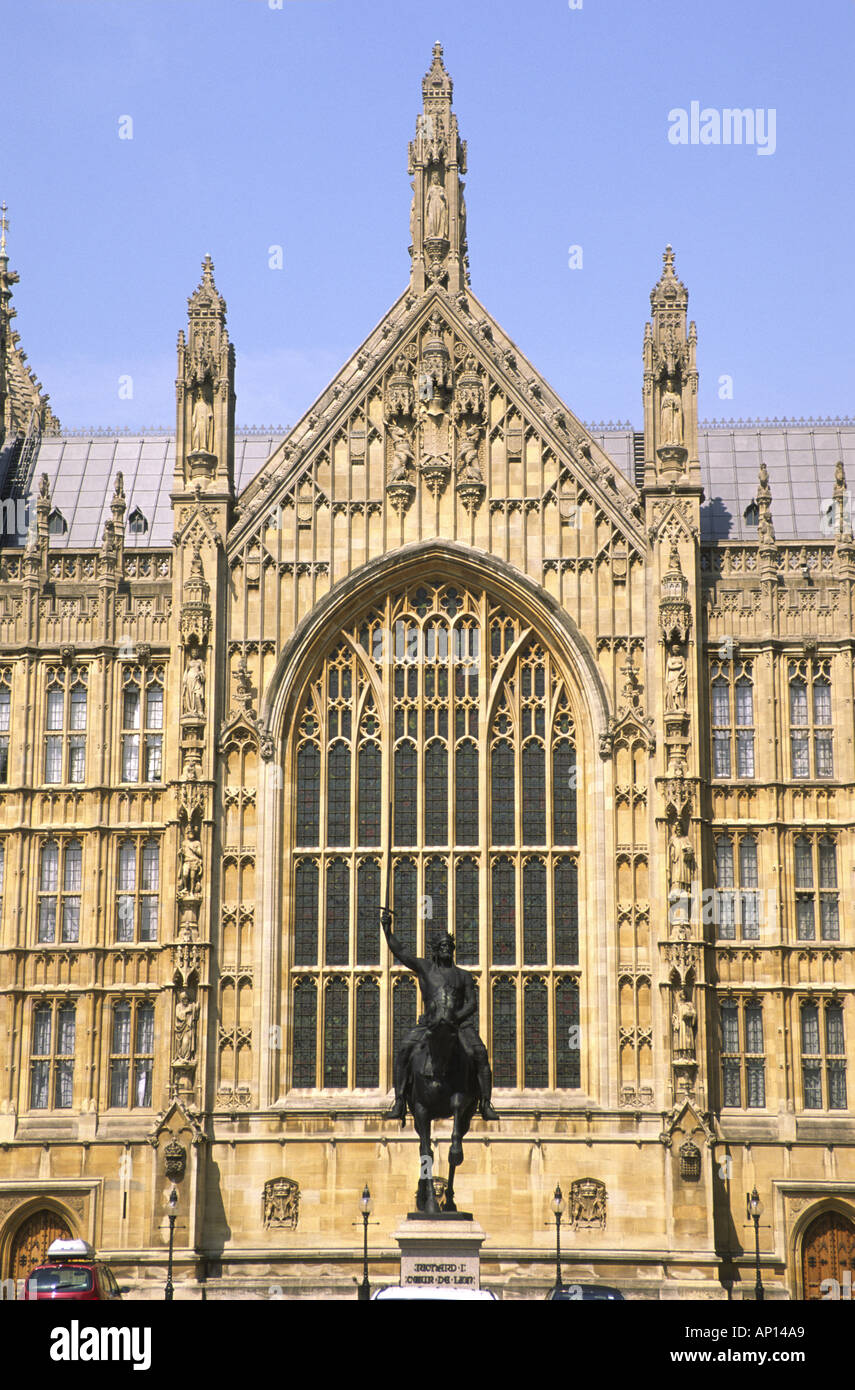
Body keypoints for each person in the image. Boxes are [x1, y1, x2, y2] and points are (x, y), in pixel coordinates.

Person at [382, 911, 498, 1122]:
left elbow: (472, 1004)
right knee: (404, 1050)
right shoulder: (426, 968)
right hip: (430, 1024)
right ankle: (399, 1101)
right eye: (443, 946)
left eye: (449, 946)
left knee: (480, 1054)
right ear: (435, 950)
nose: (447, 949)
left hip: (459, 1025)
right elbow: (401, 952)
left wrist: (455, 1017)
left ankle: (485, 1103)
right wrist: (387, 930)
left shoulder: (463, 976)